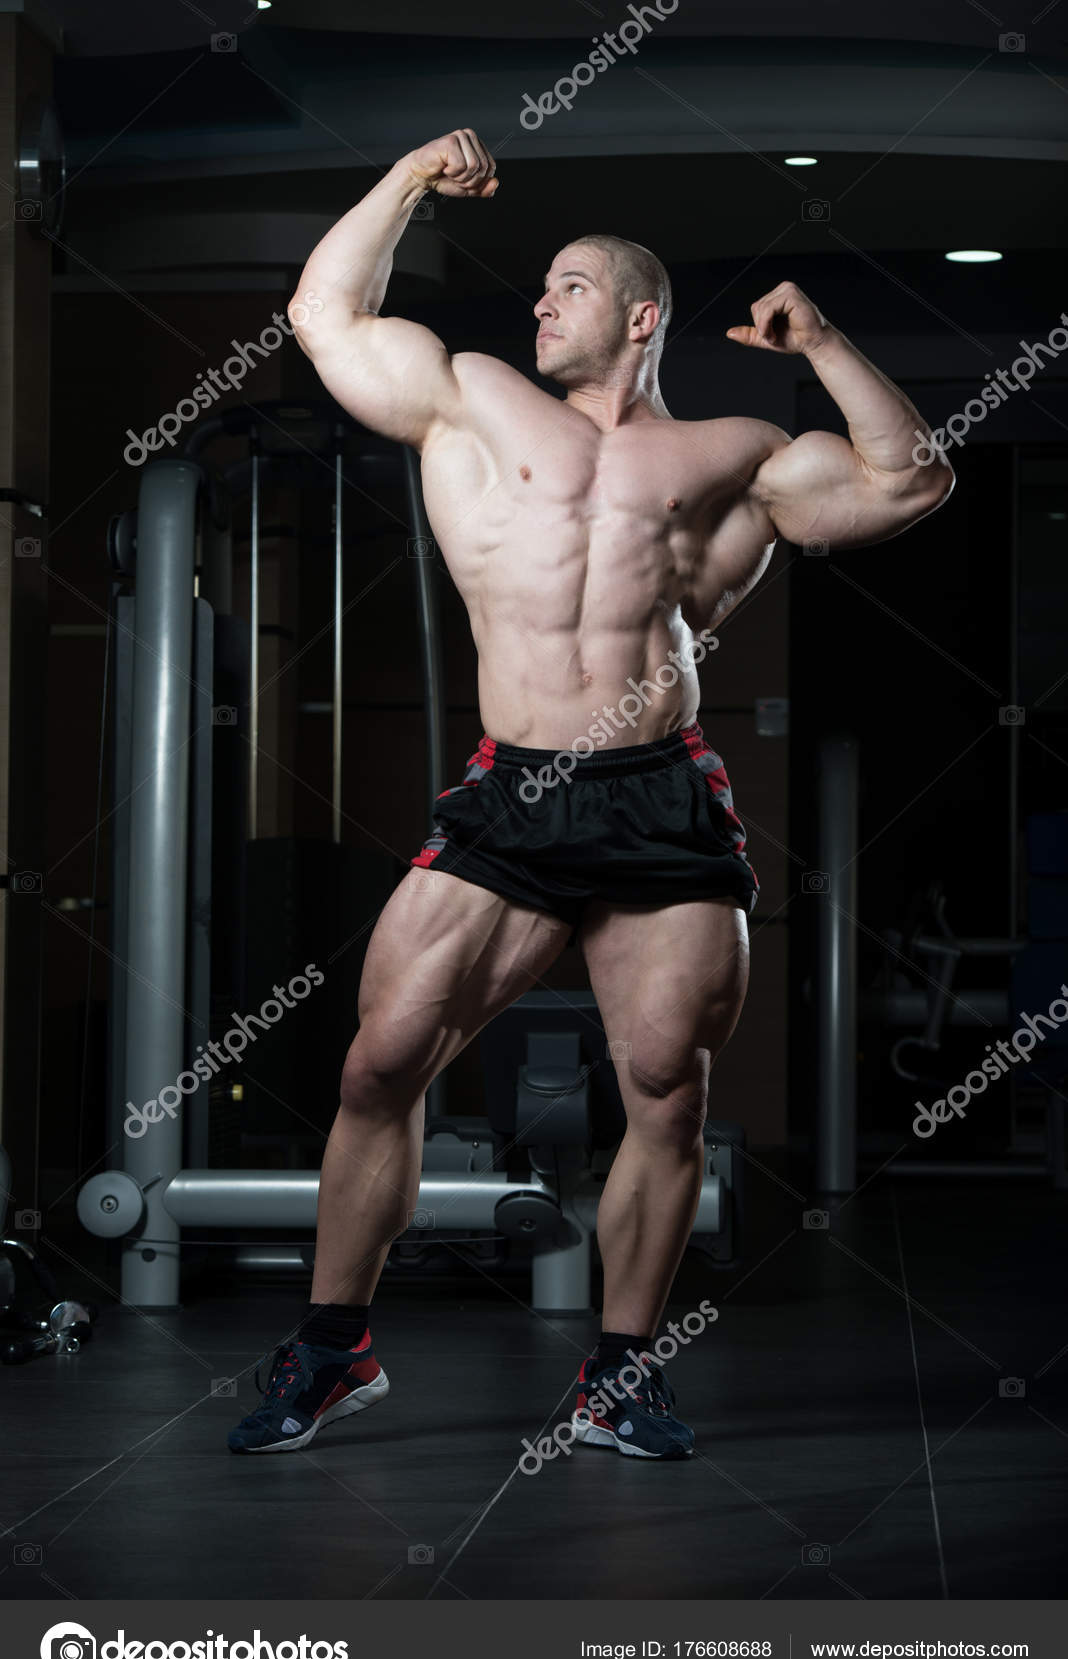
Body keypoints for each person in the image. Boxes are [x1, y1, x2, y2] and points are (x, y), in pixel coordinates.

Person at [228, 128, 953, 1458]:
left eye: (567, 283)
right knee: (381, 1060)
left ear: (640, 315)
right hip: (511, 792)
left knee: (666, 1088)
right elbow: (325, 314)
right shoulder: (470, 396)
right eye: (541, 283)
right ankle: (335, 1353)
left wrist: (829, 343)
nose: (539, 299)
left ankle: (619, 1377)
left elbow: (912, 481)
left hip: (658, 796)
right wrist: (402, 177)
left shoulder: (738, 451)